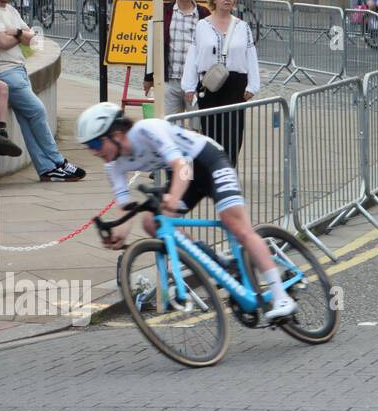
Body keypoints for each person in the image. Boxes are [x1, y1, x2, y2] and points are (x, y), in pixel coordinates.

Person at [76, 102, 295, 321]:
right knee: (152, 223)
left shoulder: (146, 130)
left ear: (116, 133)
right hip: (188, 176)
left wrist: (173, 197)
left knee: (235, 224)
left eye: (96, 143)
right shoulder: (113, 165)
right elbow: (127, 207)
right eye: (89, 146)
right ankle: (218, 260)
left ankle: (281, 296)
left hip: (209, 162)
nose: (93, 151)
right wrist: (119, 234)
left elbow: (181, 166)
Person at [0, 0, 84, 180]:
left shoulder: (11, 10)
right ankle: (58, 161)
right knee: (36, 111)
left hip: (19, 69)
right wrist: (20, 35)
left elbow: (32, 37)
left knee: (27, 122)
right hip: (6, 72)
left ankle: (47, 169)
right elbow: (3, 42)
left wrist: (16, 33)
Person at [182, 0, 261, 165]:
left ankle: (228, 169)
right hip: (210, 84)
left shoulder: (242, 26)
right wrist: (188, 86)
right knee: (211, 131)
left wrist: (253, 85)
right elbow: (193, 55)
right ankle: (213, 169)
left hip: (235, 84)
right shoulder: (202, 25)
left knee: (233, 132)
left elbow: (251, 55)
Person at [144, 0, 212, 116]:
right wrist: (148, 77)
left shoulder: (204, 14)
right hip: (170, 81)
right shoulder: (163, 13)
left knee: (198, 126)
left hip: (196, 83)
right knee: (169, 127)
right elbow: (153, 46)